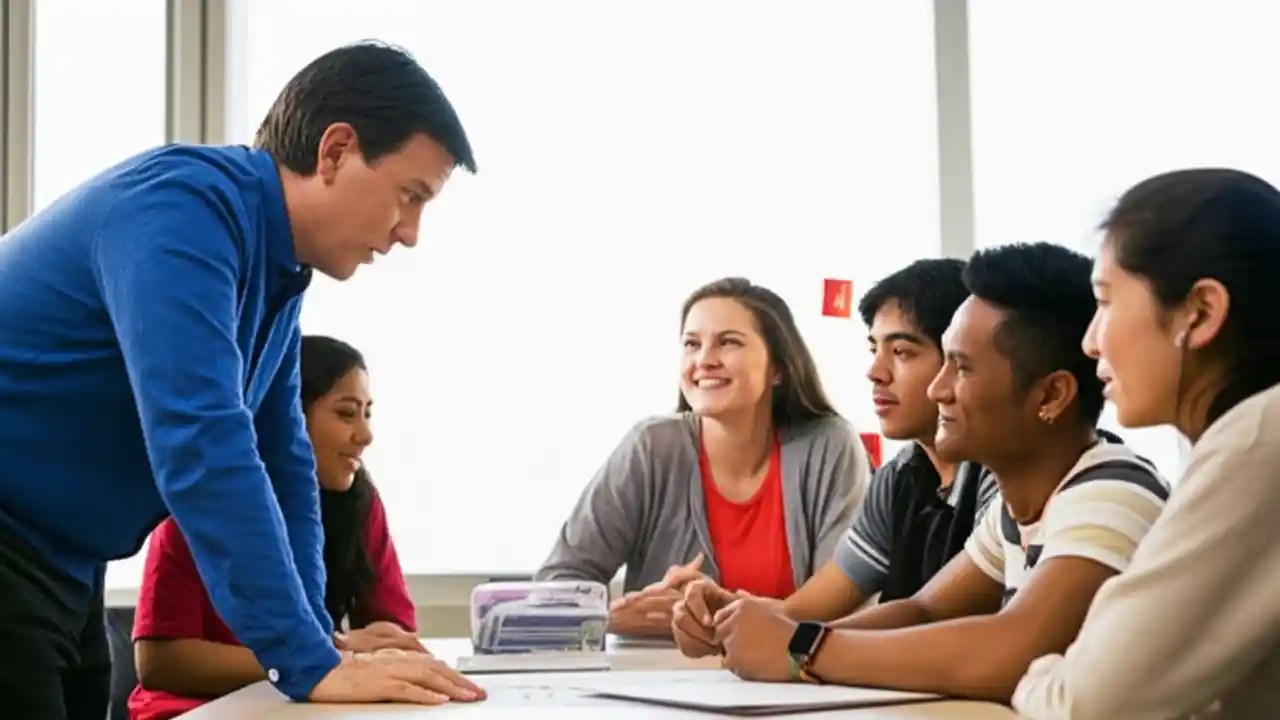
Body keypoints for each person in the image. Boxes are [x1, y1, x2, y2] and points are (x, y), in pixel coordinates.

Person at [0, 42, 485, 718]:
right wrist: (306, 660)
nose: (410, 233)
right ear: (335, 150)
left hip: (63, 563)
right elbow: (202, 444)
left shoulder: (277, 272)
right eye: (410, 196)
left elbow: (284, 462)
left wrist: (317, 642)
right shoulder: (181, 213)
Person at [686, 243, 1168, 703]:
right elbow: (925, 609)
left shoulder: (1113, 489)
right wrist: (784, 637)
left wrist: (803, 651)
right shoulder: (1016, 513)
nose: (939, 390)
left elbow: (1016, 647)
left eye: (960, 368)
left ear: (1050, 396)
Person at [1014, 169, 1280, 719]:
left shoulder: (1258, 441)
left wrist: (1042, 672)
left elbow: (1089, 704)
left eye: (1105, 302)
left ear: (1200, 312)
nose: (1089, 342)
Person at [672, 259, 995, 658]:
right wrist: (728, 615)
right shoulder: (901, 477)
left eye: (902, 352)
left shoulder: (1000, 474)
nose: (875, 372)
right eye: (874, 349)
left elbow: (934, 618)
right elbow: (803, 612)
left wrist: (796, 648)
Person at [536, 277, 871, 638]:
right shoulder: (650, 447)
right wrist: (611, 617)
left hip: (787, 682)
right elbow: (553, 588)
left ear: (779, 368)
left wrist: (713, 612)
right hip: (656, 681)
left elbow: (845, 604)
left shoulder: (829, 446)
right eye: (692, 344)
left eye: (728, 343)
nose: (704, 360)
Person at [128, 336, 419, 720]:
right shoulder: (200, 504)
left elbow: (392, 622)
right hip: (195, 710)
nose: (365, 435)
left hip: (296, 702)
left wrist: (382, 644)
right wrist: (326, 657)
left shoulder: (359, 503)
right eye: (346, 414)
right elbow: (160, 662)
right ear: (288, 416)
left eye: (367, 413)